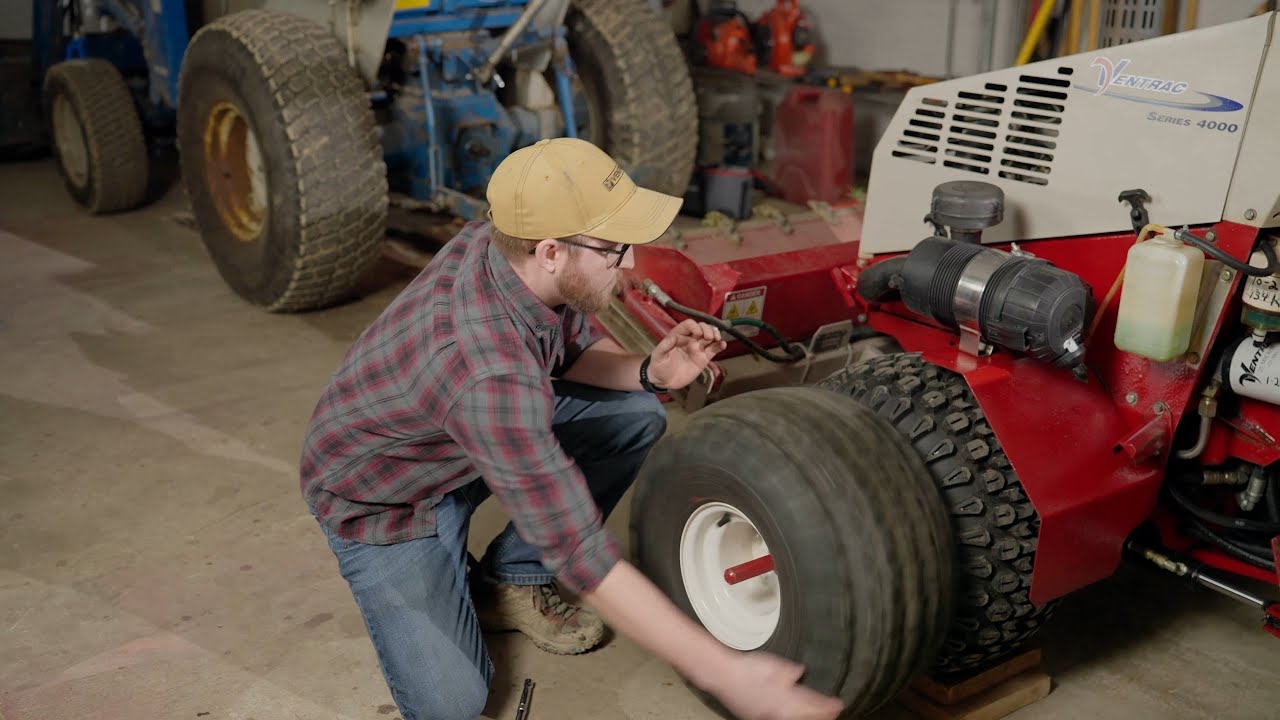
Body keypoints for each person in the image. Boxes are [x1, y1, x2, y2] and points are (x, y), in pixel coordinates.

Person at [299, 137, 844, 720]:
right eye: (614, 249)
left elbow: (563, 353)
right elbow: (580, 550)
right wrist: (729, 675)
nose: (631, 263)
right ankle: (445, 572)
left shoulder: (504, 241)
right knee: (454, 705)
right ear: (552, 252)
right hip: (390, 501)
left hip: (458, 443)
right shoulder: (486, 371)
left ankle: (507, 579)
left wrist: (651, 370)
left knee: (636, 415)